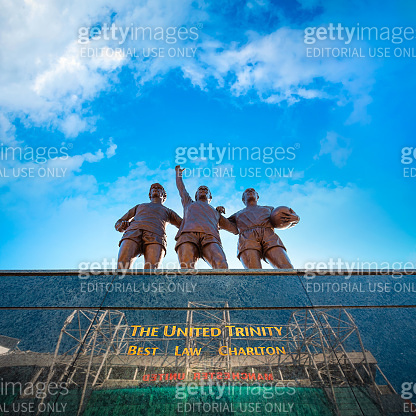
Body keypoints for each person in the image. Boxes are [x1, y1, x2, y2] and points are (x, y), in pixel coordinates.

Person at [175, 165, 238, 269]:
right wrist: (178, 174)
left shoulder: (216, 212)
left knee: (221, 264)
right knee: (186, 267)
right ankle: (188, 285)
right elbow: (181, 189)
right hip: (188, 235)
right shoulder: (188, 203)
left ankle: (223, 285)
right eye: (200, 189)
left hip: (210, 237)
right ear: (196, 195)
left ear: (210, 197)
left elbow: (235, 229)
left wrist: (238, 216)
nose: (203, 189)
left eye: (206, 189)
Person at [226, 188, 299, 269]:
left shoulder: (269, 209)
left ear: (258, 197)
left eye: (253, 191)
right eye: (247, 192)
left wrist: (294, 218)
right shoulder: (237, 214)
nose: (250, 191)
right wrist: (217, 213)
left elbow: (284, 218)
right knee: (253, 273)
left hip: (269, 236)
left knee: (286, 267)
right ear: (243, 199)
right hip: (247, 239)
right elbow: (222, 224)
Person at [115, 183, 182, 269]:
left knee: (151, 271)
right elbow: (118, 222)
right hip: (133, 232)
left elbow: (184, 225)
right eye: (153, 188)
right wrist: (121, 225)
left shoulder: (168, 211)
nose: (155, 188)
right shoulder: (139, 206)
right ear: (149, 194)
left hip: (156, 236)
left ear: (163, 194)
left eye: (159, 188)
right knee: (122, 267)